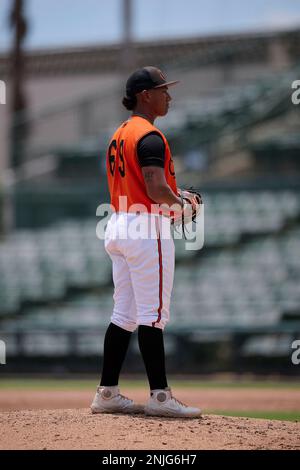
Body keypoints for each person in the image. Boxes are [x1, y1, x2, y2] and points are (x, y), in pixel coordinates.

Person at [91, 66, 201, 418]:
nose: (168, 95)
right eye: (163, 90)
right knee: (153, 315)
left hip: (118, 222)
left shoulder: (119, 134)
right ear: (144, 95)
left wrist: (173, 197)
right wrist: (182, 206)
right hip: (144, 228)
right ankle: (160, 397)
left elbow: (146, 186)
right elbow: (155, 189)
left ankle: (107, 392)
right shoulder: (150, 135)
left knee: (123, 314)